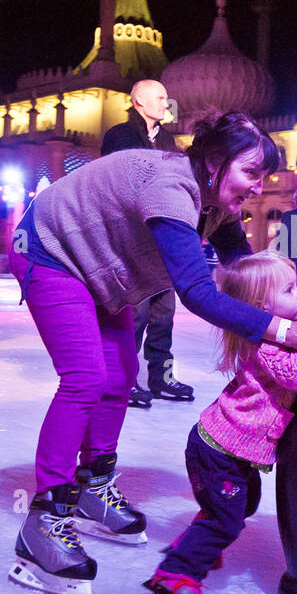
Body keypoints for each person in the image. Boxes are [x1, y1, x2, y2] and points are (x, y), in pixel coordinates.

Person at [6, 109, 297, 594]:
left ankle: (94, 486)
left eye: (263, 176)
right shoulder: (172, 190)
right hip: (52, 249)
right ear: (213, 161)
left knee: (119, 376)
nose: (256, 187)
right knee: (84, 377)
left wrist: (283, 291)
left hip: (101, 270)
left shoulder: (215, 204)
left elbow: (242, 270)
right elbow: (198, 293)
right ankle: (44, 520)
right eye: (250, 173)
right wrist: (286, 329)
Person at [142, 252, 297, 594]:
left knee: (242, 504)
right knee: (227, 521)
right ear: (262, 305)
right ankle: (174, 571)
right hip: (217, 450)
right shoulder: (265, 343)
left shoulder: (288, 329)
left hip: (230, 450)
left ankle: (195, 542)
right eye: (289, 290)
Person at [100, 80, 197, 408]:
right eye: (159, 98)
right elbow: (121, 184)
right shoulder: (120, 136)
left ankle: (161, 376)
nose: (166, 103)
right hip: (130, 241)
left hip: (161, 241)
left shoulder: (168, 139)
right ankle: (123, 380)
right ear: (139, 100)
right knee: (135, 315)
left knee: (163, 315)